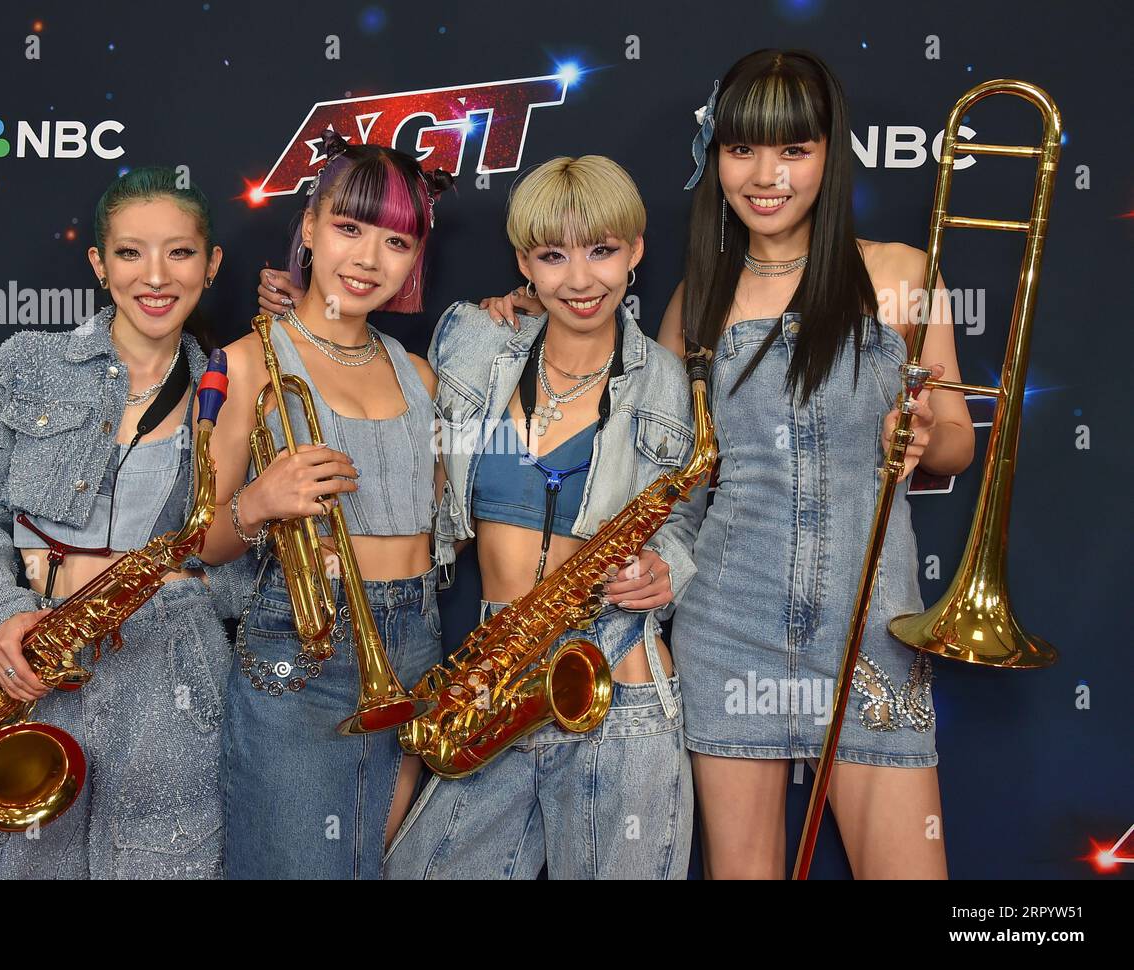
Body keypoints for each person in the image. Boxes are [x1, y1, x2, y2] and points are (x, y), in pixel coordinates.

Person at [481, 50, 975, 879]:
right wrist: (517, 316)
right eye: (743, 150)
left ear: (830, 153)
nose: (767, 175)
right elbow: (672, 481)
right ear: (716, 157)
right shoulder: (694, 302)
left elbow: (959, 439)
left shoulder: (901, 276)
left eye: (794, 150)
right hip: (727, 627)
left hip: (871, 625)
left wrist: (926, 437)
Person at [380, 155, 701, 879]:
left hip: (620, 675)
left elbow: (683, 522)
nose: (580, 280)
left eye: (603, 251)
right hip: (493, 677)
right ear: (524, 260)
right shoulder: (473, 338)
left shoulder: (669, 381)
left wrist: (666, 569)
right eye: (553, 256)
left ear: (637, 250)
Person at [0, 166, 235, 878]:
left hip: (173, 677)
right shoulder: (24, 362)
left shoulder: (235, 390)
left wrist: (180, 597)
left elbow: (242, 557)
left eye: (181, 252)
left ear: (211, 264)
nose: (156, 276)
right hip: (32, 662)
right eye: (131, 252)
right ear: (99, 265)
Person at [202, 133, 452, 879]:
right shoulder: (247, 362)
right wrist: (259, 502)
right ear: (308, 227)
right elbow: (198, 543)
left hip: (412, 644)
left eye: (396, 240)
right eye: (349, 228)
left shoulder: (418, 374)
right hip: (304, 647)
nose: (369, 259)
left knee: (367, 865)